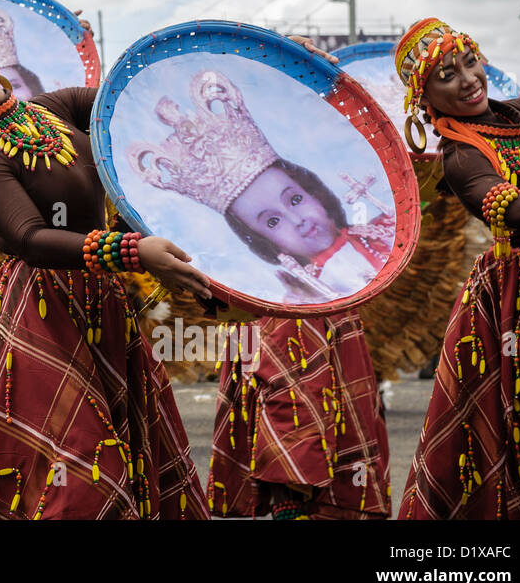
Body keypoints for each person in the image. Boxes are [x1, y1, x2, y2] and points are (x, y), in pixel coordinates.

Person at [0, 14, 211, 519]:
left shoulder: (53, 108)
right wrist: (131, 251)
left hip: (101, 305)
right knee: (81, 470)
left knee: (126, 455)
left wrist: (251, 68)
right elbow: (31, 239)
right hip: (38, 318)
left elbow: (133, 101)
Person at [127, 66, 391, 519]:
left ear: (312, 187)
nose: (296, 220)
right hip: (290, 357)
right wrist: (295, 471)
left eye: (293, 199)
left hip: (346, 352)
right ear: (258, 244)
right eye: (270, 223)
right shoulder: (275, 307)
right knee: (300, 482)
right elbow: (288, 406)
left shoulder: (376, 238)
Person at [397, 18, 520, 519]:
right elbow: (514, 210)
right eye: (447, 75)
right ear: (424, 99)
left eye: (470, 62)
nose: (468, 79)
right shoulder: (460, 156)